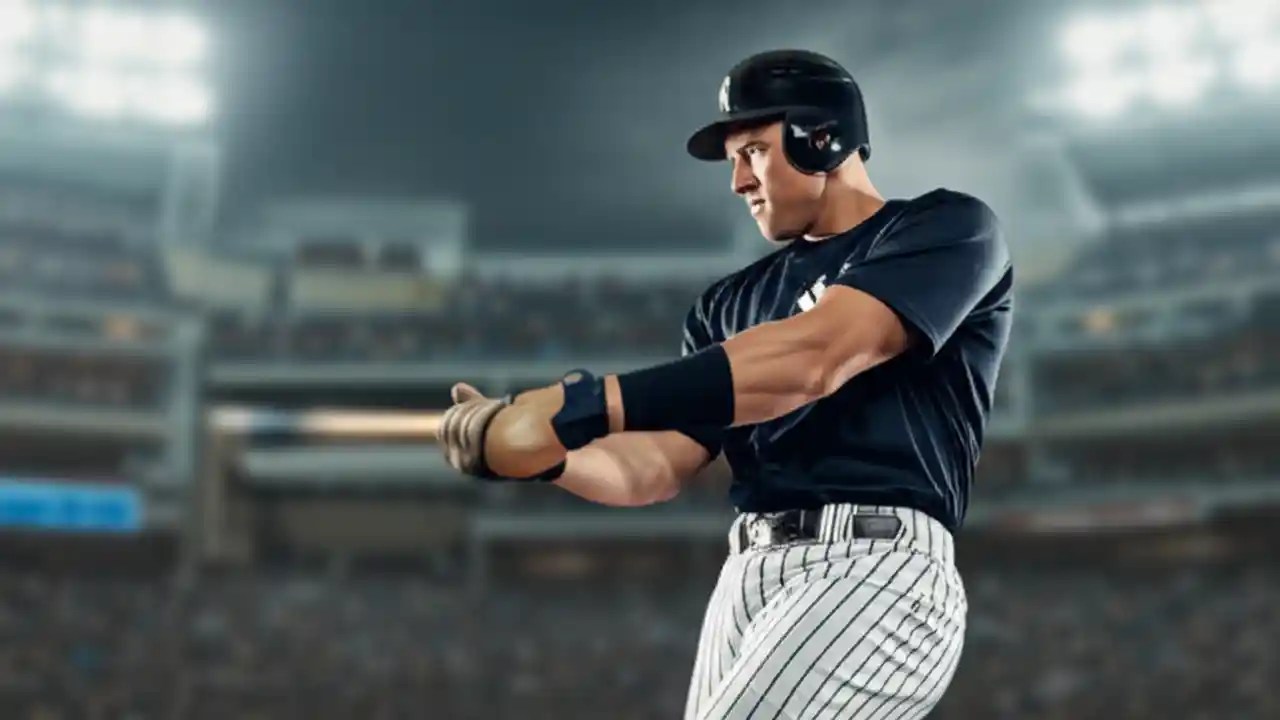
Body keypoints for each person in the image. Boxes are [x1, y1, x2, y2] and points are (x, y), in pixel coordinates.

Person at [438, 48, 1014, 720]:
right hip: (747, 576)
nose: (738, 181)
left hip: (873, 565)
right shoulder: (728, 303)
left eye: (753, 152)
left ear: (819, 138)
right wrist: (550, 456)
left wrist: (585, 405)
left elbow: (816, 358)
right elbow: (654, 465)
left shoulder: (944, 229)